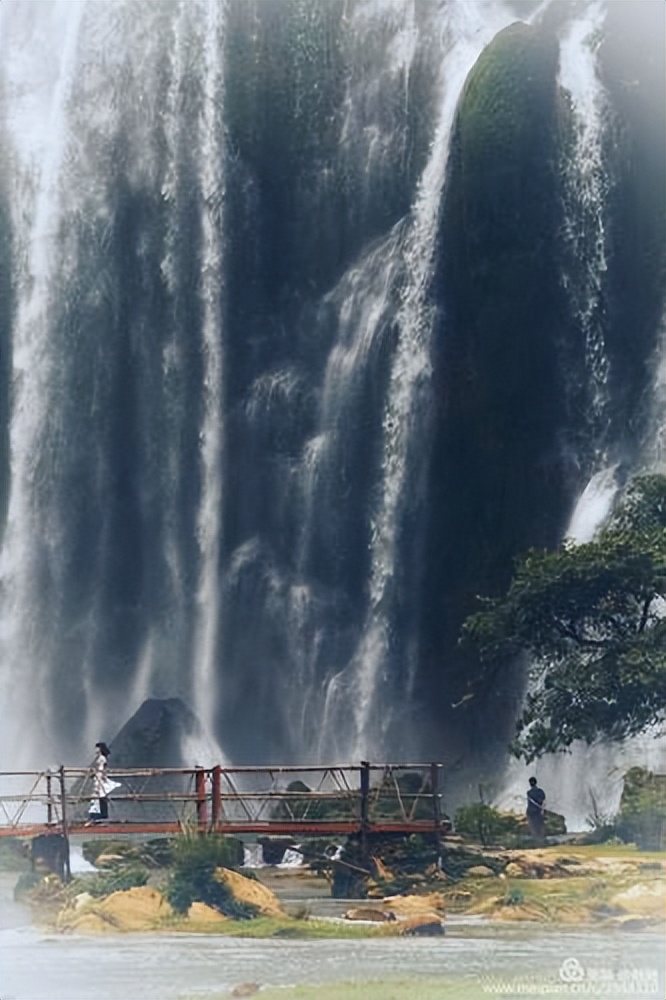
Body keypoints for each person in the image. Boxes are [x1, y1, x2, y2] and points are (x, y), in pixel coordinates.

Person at [88, 741, 112, 822]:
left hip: (100, 778)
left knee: (98, 796)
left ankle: (96, 816)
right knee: (100, 797)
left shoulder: (102, 758)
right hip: (99, 777)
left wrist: (97, 773)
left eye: (97, 748)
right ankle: (101, 815)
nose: (95, 749)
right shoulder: (100, 758)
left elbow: (102, 768)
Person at [526, 776, 546, 843]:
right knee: (539, 826)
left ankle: (536, 840)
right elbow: (543, 801)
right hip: (537, 811)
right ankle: (540, 839)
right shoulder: (540, 791)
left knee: (533, 826)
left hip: (532, 812)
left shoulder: (529, 793)